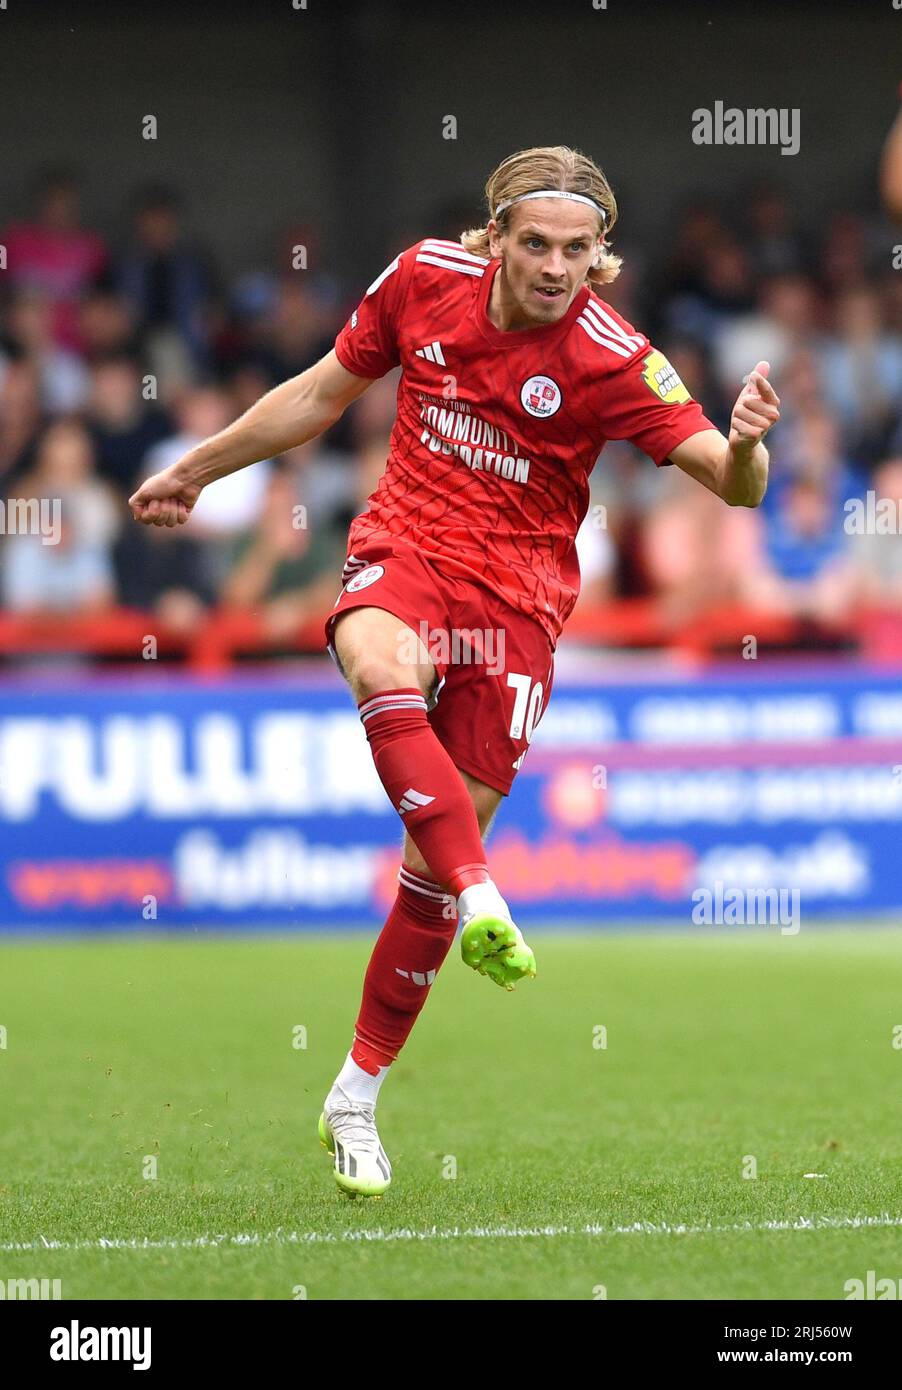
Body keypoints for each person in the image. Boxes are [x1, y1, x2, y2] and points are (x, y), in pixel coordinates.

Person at [128, 145, 780, 1198]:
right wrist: (196, 469)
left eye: (577, 249)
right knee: (376, 657)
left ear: (599, 255)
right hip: (410, 545)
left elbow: (730, 483)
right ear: (496, 238)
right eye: (535, 243)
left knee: (425, 871)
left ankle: (353, 1093)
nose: (556, 265)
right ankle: (484, 888)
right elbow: (318, 393)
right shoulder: (422, 279)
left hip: (519, 604)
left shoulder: (612, 354)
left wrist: (747, 445)